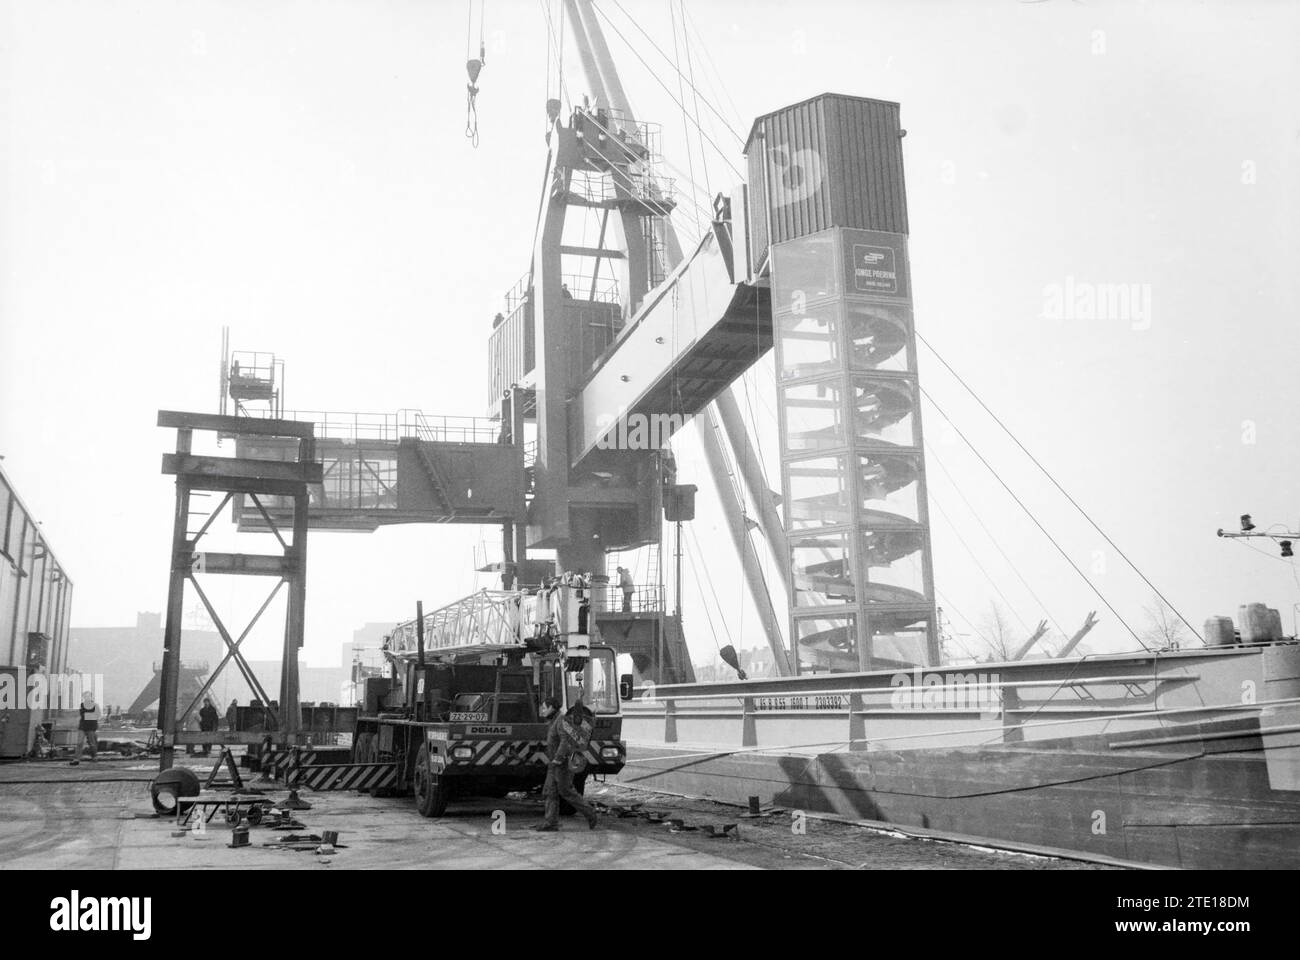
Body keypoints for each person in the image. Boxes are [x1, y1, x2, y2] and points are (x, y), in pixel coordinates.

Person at [532, 697, 598, 832]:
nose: (542, 711)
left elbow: (565, 741)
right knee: (550, 791)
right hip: (554, 763)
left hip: (562, 763)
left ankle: (590, 813)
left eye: (544, 708)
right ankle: (550, 823)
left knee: (566, 791)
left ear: (551, 708)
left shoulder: (561, 721)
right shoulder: (553, 721)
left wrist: (558, 758)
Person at [76, 691, 100, 762]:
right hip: (83, 726)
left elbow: (97, 715)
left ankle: (94, 756)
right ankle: (77, 758)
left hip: (91, 727)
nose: (86, 698)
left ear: (91, 697)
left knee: (92, 743)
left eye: (88, 696)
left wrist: (88, 715)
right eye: (85, 696)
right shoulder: (82, 705)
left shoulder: (95, 705)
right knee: (79, 743)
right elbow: (83, 715)